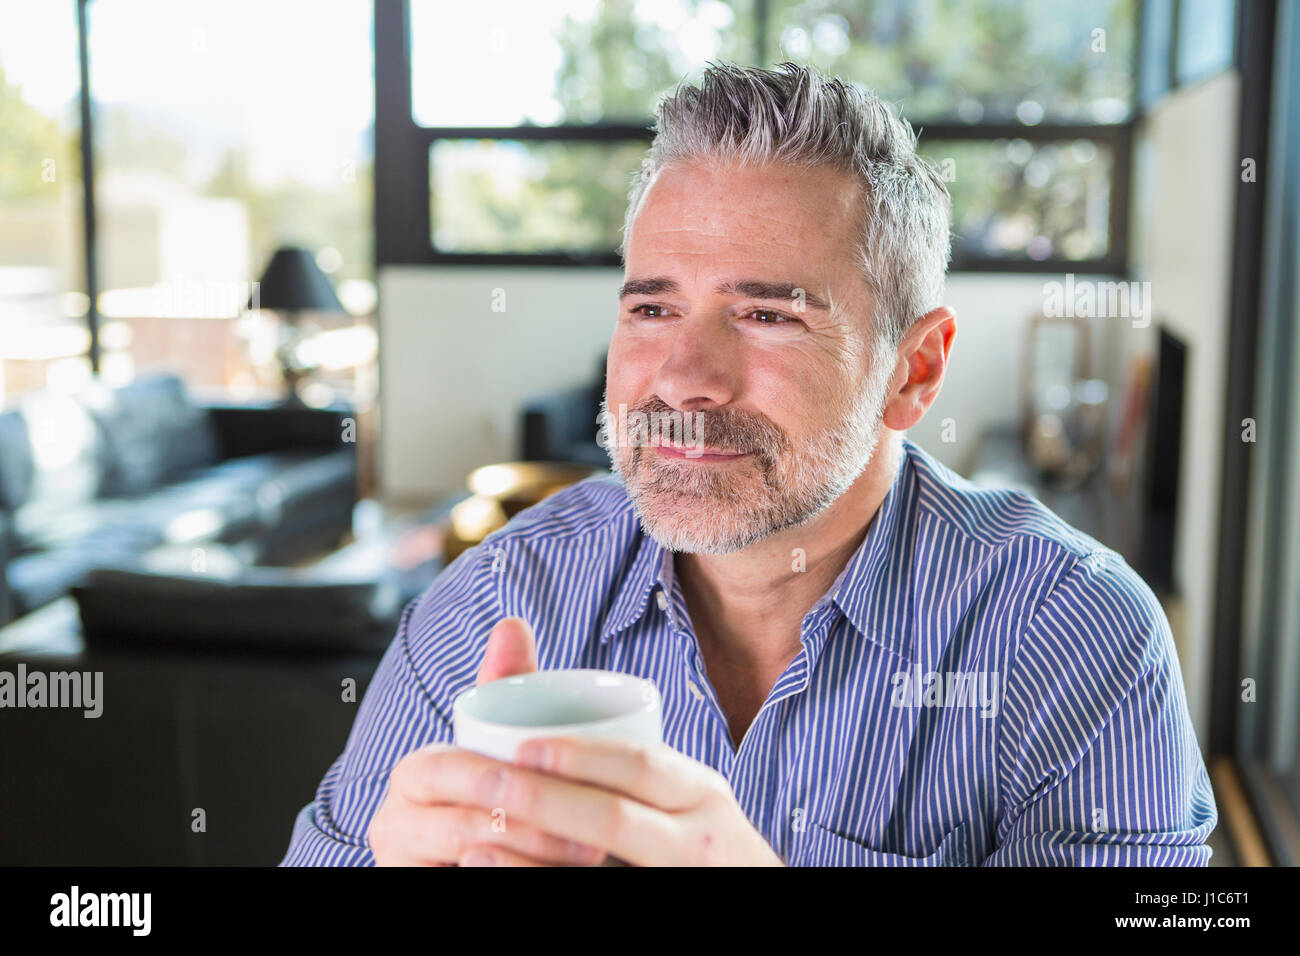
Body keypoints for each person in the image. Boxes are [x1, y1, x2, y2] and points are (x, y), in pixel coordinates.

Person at [282, 61, 1216, 866]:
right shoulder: (499, 599)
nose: (684, 379)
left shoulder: (1075, 632)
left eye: (769, 314)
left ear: (914, 369)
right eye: (652, 309)